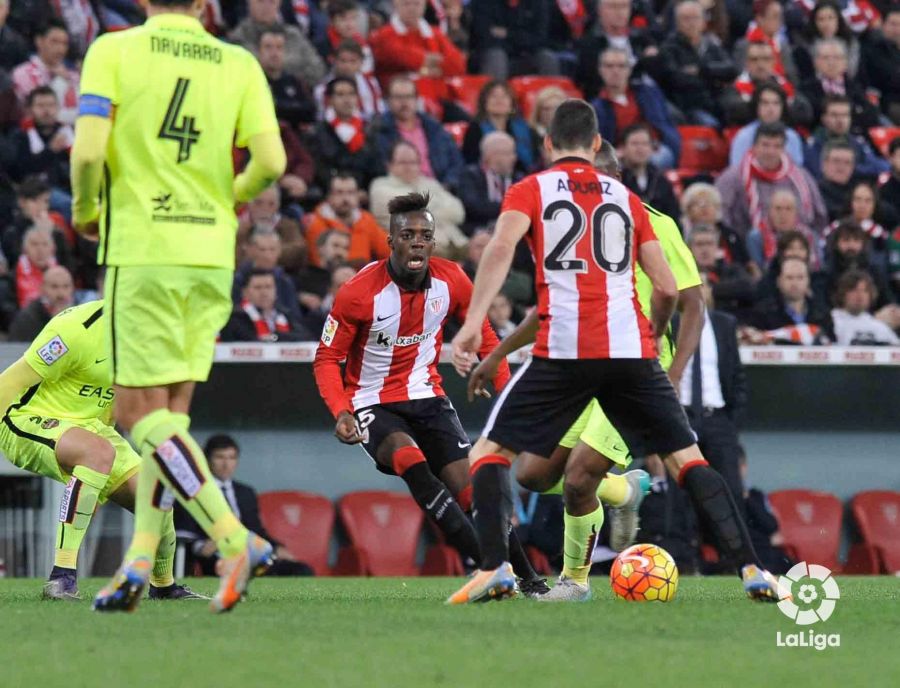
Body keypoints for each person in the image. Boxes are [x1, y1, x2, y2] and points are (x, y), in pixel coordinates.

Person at [447, 99, 779, 604]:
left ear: (548, 144)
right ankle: (754, 569)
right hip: (630, 353)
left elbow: (499, 248)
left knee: (489, 453)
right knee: (687, 459)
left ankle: (496, 567)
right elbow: (666, 290)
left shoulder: (531, 188)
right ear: (598, 144)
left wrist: (474, 325)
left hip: (566, 349)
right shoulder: (625, 200)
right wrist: (651, 345)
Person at [72, 0, 287, 613]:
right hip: (212, 256)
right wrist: (230, 202)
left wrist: (87, 212)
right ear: (203, 5)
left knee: (133, 413)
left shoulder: (113, 50)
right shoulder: (239, 61)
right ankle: (141, 557)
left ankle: (233, 537)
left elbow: (88, 153)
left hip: (144, 250)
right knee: (169, 421)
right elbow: (271, 162)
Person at [462, 141, 712, 601]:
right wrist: (498, 354)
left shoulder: (654, 222)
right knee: (532, 475)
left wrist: (673, 374)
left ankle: (574, 582)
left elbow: (693, 304)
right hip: (579, 365)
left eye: (594, 179)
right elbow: (549, 307)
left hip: (635, 372)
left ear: (615, 177)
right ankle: (623, 490)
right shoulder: (572, 233)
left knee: (578, 479)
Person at [312, 191, 549, 596]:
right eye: (407, 235)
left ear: (434, 242)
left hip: (428, 396)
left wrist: (504, 389)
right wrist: (341, 411)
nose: (417, 241)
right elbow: (326, 358)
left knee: (475, 488)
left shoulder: (452, 279)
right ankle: (492, 570)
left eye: (425, 234)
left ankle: (529, 580)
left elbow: (486, 338)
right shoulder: (358, 292)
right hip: (372, 401)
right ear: (391, 241)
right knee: (411, 460)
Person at [0, 301, 200, 601]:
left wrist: (94, 481)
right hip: (26, 417)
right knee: (98, 453)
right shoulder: (76, 329)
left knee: (157, 489)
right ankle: (62, 577)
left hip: (95, 428)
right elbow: (9, 383)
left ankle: (164, 585)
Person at [175, 434, 312, 576]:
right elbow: (185, 534)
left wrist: (276, 547)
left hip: (249, 552)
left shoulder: (245, 493)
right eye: (220, 457)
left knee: (301, 570)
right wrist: (202, 546)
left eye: (231, 458)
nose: (226, 464)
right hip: (217, 555)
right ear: (207, 459)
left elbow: (256, 530)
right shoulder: (195, 492)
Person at [680, 275, 747, 516]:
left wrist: (731, 422)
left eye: (703, 285)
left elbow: (736, 376)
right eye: (691, 286)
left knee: (731, 492)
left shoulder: (724, 324)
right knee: (683, 495)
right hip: (682, 417)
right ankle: (688, 552)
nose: (698, 291)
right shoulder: (670, 323)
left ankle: (734, 553)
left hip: (718, 418)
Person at [716, 122, 827, 237]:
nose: (770, 152)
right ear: (754, 147)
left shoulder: (802, 177)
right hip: (747, 244)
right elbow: (719, 213)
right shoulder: (733, 177)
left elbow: (819, 216)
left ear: (784, 149)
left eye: (777, 146)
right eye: (765, 145)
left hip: (796, 244)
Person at [369, 141, 467, 257]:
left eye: (413, 162)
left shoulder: (430, 183)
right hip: (416, 251)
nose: (409, 167)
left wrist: (426, 210)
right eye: (402, 162)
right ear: (389, 165)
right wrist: (437, 207)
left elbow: (459, 212)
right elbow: (411, 219)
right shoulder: (380, 187)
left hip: (456, 243)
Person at [592, 47, 681, 170]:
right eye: (609, 66)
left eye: (621, 66)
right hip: (621, 156)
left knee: (657, 159)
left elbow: (665, 125)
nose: (615, 71)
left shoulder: (649, 93)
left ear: (629, 70)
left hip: (655, 149)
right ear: (600, 70)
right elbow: (601, 145)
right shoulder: (596, 108)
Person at [372, 76, 465, 188]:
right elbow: (380, 169)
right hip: (399, 189)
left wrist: (447, 185)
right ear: (388, 101)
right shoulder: (378, 130)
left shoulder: (435, 128)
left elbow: (456, 163)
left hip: (439, 188)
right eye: (398, 97)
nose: (404, 102)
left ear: (417, 100)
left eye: (409, 97)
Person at [657, 0, 738, 126]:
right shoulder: (668, 48)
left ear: (703, 22)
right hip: (689, 107)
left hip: (716, 102)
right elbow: (676, 79)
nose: (691, 23)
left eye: (695, 18)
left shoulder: (711, 45)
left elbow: (732, 70)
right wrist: (714, 79)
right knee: (711, 124)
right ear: (677, 23)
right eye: (686, 19)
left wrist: (702, 70)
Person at [309, 77, 384, 192]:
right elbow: (319, 168)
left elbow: (376, 166)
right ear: (330, 100)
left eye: (351, 94)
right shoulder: (318, 131)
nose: (347, 100)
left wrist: (365, 191)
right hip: (331, 192)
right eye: (340, 94)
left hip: (362, 193)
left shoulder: (368, 130)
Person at [573, 0, 659, 100]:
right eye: (613, 7)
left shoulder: (643, 39)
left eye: (624, 6)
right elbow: (590, 83)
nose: (620, 12)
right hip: (607, 102)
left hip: (648, 98)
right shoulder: (589, 45)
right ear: (600, 11)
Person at [369, 0, 466, 88]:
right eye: (406, 3)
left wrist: (422, 68)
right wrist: (430, 63)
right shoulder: (383, 35)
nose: (412, 8)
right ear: (395, 4)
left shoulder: (435, 33)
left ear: (424, 5)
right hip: (396, 97)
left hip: (434, 94)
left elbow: (458, 64)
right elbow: (398, 57)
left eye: (417, 4)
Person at [229, 0, 326, 88]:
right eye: (260, 1)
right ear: (249, 3)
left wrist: (275, 66)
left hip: (295, 98)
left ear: (279, 4)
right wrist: (291, 66)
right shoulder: (239, 36)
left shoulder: (293, 34)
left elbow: (318, 70)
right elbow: (250, 68)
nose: (266, 6)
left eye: (271, 2)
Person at [305, 172, 390, 268]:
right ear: (329, 196)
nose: (345, 199)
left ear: (358, 195)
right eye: (339, 193)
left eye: (351, 193)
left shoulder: (365, 219)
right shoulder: (316, 223)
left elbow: (388, 250)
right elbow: (319, 263)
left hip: (363, 277)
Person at [721, 40, 810, 127]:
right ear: (747, 63)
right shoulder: (734, 88)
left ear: (774, 62)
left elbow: (805, 112)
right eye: (754, 59)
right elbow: (732, 112)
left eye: (766, 59)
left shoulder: (786, 85)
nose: (760, 64)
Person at [799, 37, 879, 133]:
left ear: (845, 63)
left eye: (837, 58)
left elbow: (870, 117)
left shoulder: (856, 87)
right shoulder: (805, 89)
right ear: (815, 62)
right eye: (825, 58)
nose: (831, 63)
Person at [461, 80, 540, 174]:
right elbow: (470, 162)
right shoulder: (475, 129)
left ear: (512, 104)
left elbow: (536, 160)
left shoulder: (525, 128)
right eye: (493, 96)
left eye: (504, 96)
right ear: (484, 102)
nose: (499, 100)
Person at [468, 0, 561, 80]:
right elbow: (483, 36)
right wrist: (520, 39)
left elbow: (540, 39)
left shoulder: (538, 3)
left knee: (547, 58)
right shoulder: (484, 2)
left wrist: (508, 34)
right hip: (491, 54)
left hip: (526, 55)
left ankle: (550, 99)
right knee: (497, 56)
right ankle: (494, 98)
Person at [804, 95, 889, 181]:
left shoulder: (857, 143)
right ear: (824, 118)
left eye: (845, 115)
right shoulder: (814, 145)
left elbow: (881, 166)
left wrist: (854, 169)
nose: (840, 120)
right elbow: (819, 173)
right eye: (834, 115)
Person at [11, 20, 80, 125]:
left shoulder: (74, 76)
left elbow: (83, 112)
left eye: (64, 44)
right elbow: (42, 113)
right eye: (54, 42)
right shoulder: (22, 73)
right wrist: (60, 81)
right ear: (39, 41)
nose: (60, 49)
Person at [750, 257, 833, 341]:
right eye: (789, 277)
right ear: (779, 281)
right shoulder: (763, 312)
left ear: (808, 281)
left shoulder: (822, 313)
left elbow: (832, 344)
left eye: (800, 277)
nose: (794, 283)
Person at [680, 182, 754, 275]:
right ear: (688, 210)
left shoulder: (731, 236)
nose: (704, 207)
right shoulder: (679, 234)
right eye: (697, 203)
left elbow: (747, 265)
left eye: (709, 202)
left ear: (717, 207)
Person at [7, 86, 74, 190]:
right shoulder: (20, 135)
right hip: (35, 191)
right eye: (40, 106)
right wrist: (50, 151)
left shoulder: (67, 131)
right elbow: (20, 172)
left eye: (51, 105)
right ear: (30, 109)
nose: (46, 111)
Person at [221, 269, 313, 342]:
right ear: (245, 293)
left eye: (268, 287)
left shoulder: (285, 314)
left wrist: (275, 337)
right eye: (258, 288)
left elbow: (305, 337)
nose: (264, 292)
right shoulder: (234, 317)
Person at [457, 131, 521, 236]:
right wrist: (509, 208)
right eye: (508, 153)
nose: (514, 158)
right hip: (480, 230)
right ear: (491, 156)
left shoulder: (518, 178)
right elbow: (474, 208)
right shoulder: (470, 176)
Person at [235, 185, 305, 275]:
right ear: (249, 203)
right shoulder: (237, 227)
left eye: (271, 204)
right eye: (258, 203)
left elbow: (298, 251)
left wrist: (260, 252)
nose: (265, 208)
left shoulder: (288, 225)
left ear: (278, 205)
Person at [728, 84, 805, 167]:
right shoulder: (743, 136)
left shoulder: (792, 137)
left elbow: (797, 171)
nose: (771, 109)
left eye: (776, 103)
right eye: (765, 103)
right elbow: (737, 170)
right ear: (757, 106)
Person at [232, 231, 302, 321]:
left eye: (272, 249)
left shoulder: (285, 282)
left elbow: (294, 316)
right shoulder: (238, 280)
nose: (267, 255)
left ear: (280, 251)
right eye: (262, 250)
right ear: (250, 250)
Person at [257, 26, 316, 131]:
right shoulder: (253, 82)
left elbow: (310, 112)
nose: (274, 53)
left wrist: (280, 107)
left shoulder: (295, 81)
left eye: (279, 47)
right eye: (268, 47)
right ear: (259, 51)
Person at [746, 189, 821, 271]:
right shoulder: (756, 237)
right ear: (769, 212)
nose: (783, 214)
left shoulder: (809, 235)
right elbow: (758, 271)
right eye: (778, 209)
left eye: (788, 209)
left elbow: (819, 266)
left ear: (796, 212)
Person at [312, 40, 385, 121]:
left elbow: (380, 111)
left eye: (353, 61)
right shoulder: (322, 89)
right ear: (334, 61)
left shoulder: (371, 83)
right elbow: (323, 118)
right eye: (343, 61)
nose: (347, 66)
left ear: (361, 63)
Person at [619, 124, 680, 220]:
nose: (640, 149)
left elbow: (672, 215)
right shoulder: (617, 179)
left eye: (645, 144)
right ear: (622, 148)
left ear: (651, 148)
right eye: (635, 144)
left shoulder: (661, 180)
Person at [792, 0, 861, 81]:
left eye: (831, 18)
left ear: (838, 20)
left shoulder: (850, 43)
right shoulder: (804, 48)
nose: (826, 24)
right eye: (821, 19)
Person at [830, 269, 900, 345]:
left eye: (865, 291)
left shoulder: (879, 326)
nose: (860, 295)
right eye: (854, 290)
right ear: (842, 293)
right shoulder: (831, 322)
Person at [8, 265, 73, 341]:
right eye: (54, 287)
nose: (61, 293)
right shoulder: (27, 318)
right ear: (42, 288)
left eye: (66, 286)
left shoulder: (79, 315)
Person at [296, 229, 351, 311]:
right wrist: (300, 297)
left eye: (345, 248)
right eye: (335, 246)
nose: (340, 252)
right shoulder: (304, 276)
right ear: (321, 248)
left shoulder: (353, 279)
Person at [862, 6, 900, 124]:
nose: (897, 29)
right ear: (883, 25)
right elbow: (890, 79)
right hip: (889, 103)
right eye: (893, 24)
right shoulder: (873, 50)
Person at [818, 138, 857, 221]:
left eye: (847, 163)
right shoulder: (814, 193)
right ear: (824, 164)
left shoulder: (857, 194)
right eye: (836, 161)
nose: (841, 168)